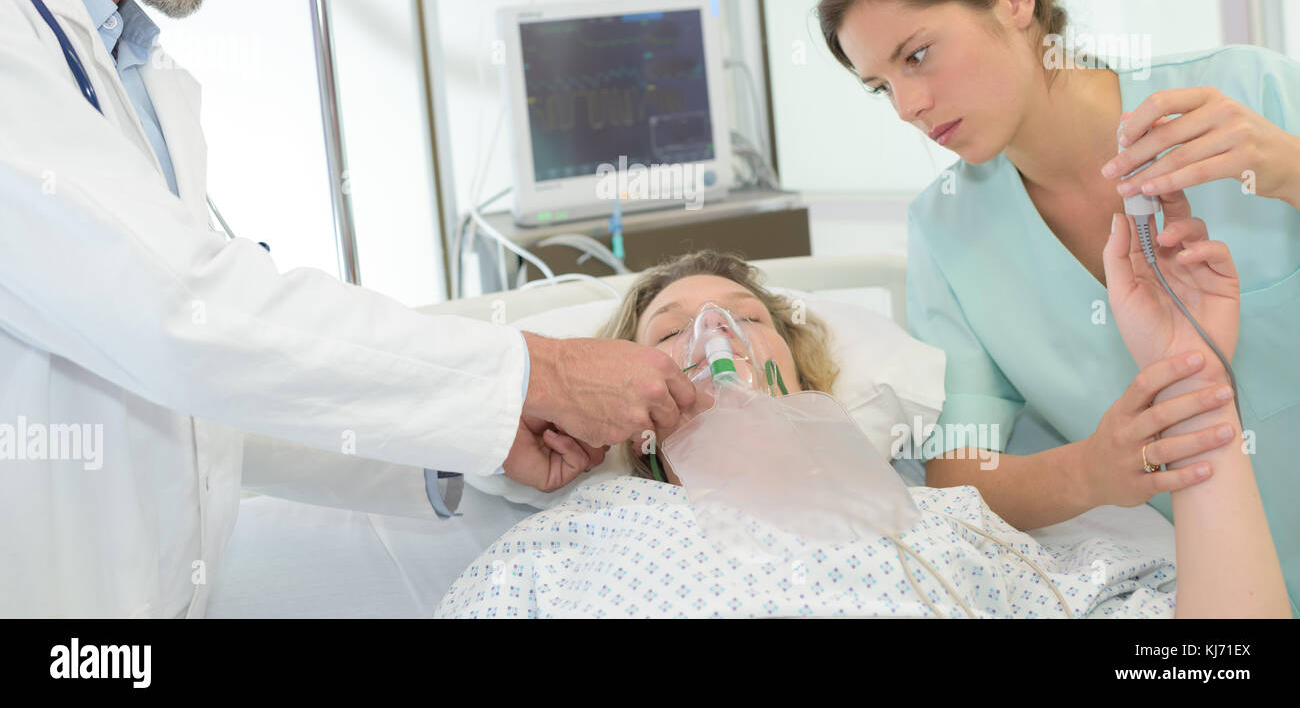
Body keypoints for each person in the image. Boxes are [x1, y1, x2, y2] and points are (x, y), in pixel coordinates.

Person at [0, 0, 693, 618]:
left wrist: (459, 445)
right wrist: (531, 371)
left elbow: (198, 398)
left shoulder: (138, 78)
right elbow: (183, 317)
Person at [816, 0, 1300, 614]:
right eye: (881, 85)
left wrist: (1289, 167)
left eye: (917, 55)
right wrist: (1093, 470)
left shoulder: (1243, 96)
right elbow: (956, 466)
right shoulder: (949, 231)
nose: (907, 106)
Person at [436, 249, 1289, 617]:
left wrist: (1192, 371)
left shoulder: (941, 527)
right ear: (624, 409)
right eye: (669, 333)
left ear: (801, 371)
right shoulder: (560, 553)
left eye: (745, 319)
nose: (715, 341)